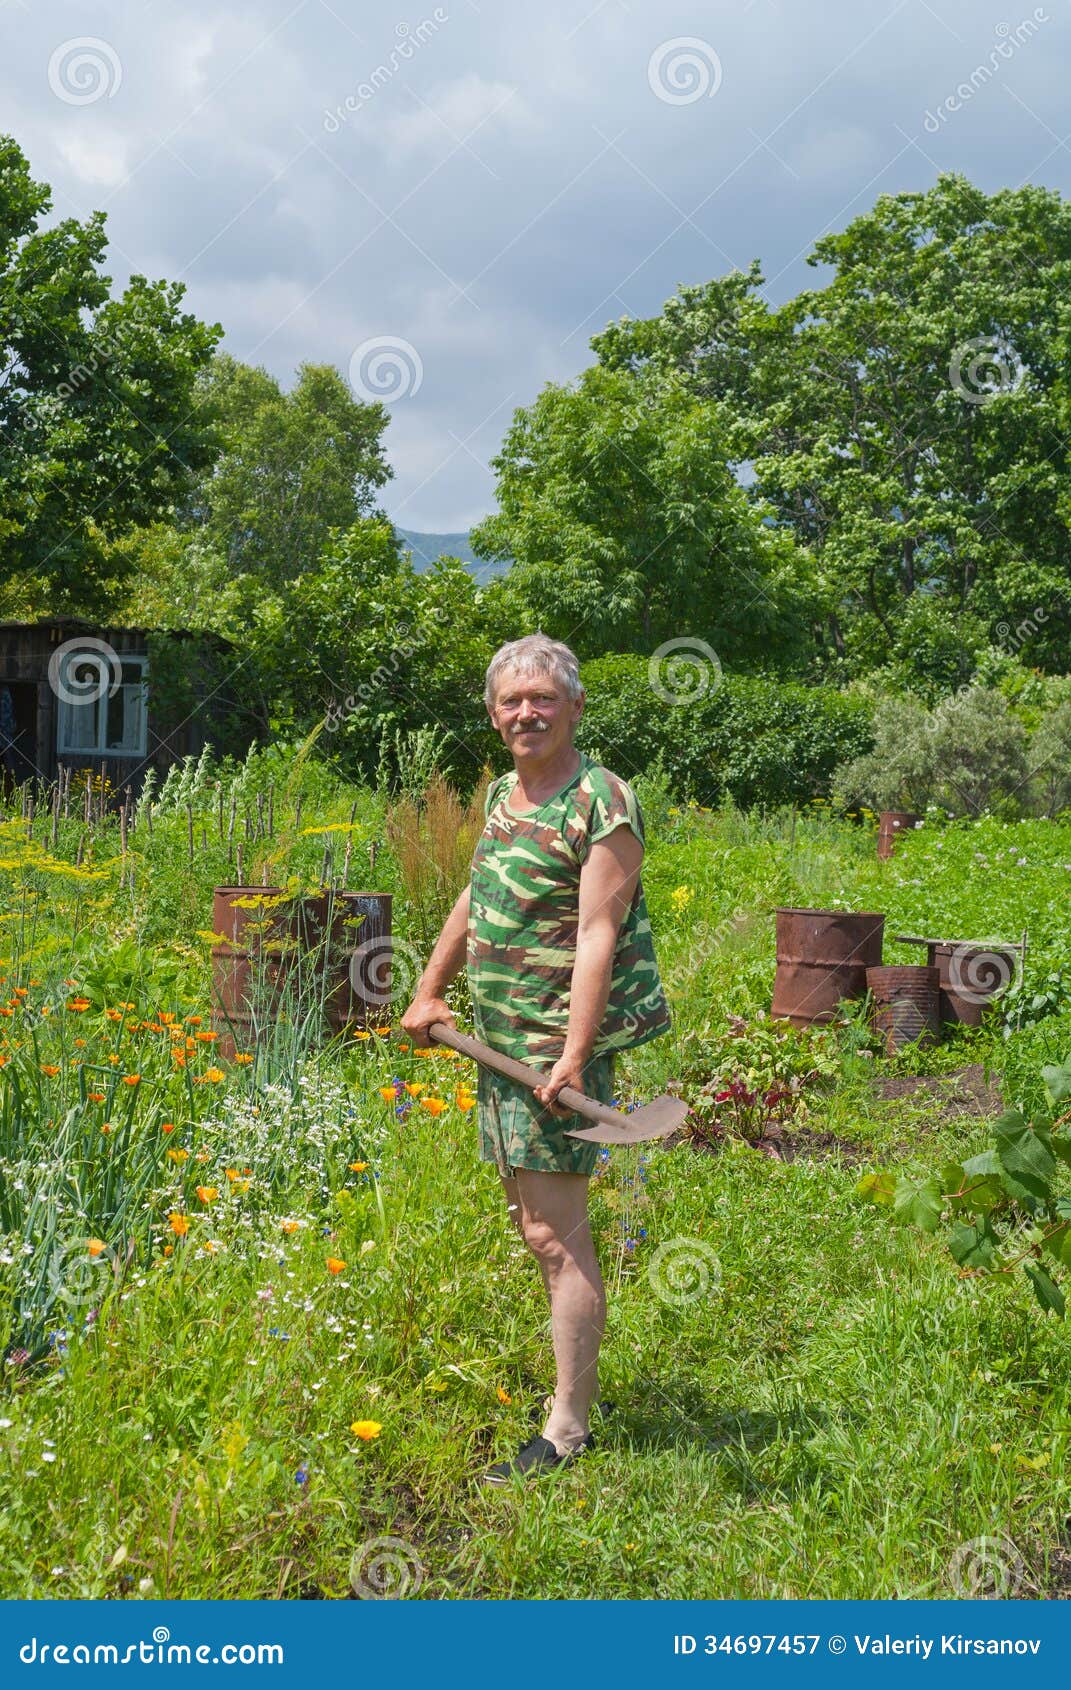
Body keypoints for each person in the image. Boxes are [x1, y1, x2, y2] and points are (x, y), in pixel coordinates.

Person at [400, 633, 671, 1485]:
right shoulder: (503, 797)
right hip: (497, 1042)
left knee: (557, 1236)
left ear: (574, 707)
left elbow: (598, 931)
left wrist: (575, 1057)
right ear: (493, 715)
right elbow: (475, 894)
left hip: (554, 1054)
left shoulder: (603, 802)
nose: (526, 712)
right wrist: (430, 985)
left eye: (542, 698)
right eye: (511, 701)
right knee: (534, 1224)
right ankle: (570, 1397)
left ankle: (567, 1428)